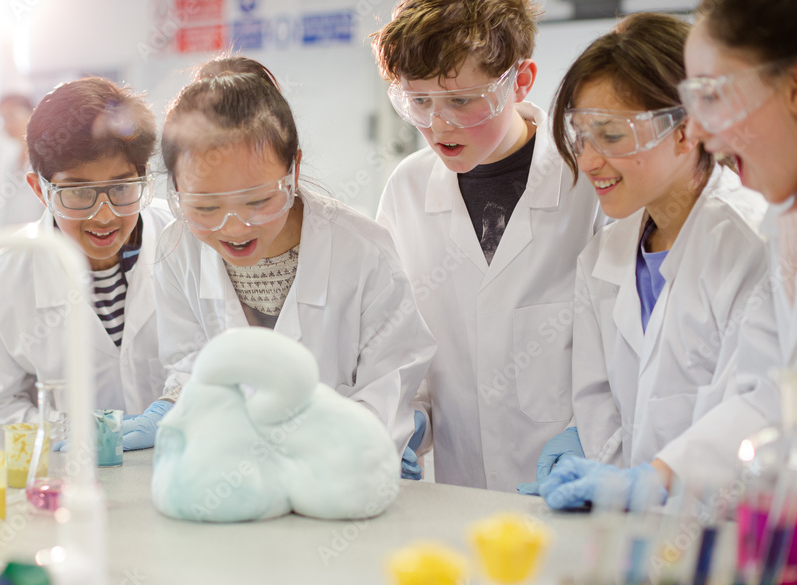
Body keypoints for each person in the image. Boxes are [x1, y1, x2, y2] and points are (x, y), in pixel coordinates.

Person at [539, 0, 797, 509]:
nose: (702, 130)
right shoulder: (783, 224)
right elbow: (774, 399)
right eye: (581, 137)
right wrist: (643, 483)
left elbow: (765, 417)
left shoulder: (750, 238)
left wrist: (658, 485)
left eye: (714, 98)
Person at [143, 55, 436, 463]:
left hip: (341, 480)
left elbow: (389, 384)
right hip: (236, 483)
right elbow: (192, 367)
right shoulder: (177, 251)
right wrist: (174, 403)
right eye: (206, 208)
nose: (235, 227)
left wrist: (348, 447)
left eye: (259, 201)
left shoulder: (363, 251)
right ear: (174, 189)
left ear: (294, 171)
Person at [372, 0, 607, 490]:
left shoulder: (589, 181)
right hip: (461, 496)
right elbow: (396, 339)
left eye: (462, 100)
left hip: (572, 487)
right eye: (419, 101)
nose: (438, 125)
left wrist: (591, 438)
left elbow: (620, 346)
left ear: (520, 81)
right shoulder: (408, 189)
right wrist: (403, 421)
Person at [0, 78, 175, 437]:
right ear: (40, 190)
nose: (104, 216)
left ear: (143, 177)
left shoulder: (184, 241)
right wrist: (68, 431)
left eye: (120, 188)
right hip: (69, 479)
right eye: (78, 192)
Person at [0, 93, 44, 229]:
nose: (7, 124)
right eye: (2, 118)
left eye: (11, 115)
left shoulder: (44, 156)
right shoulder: (12, 160)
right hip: (13, 237)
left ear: (32, 114)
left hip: (40, 238)